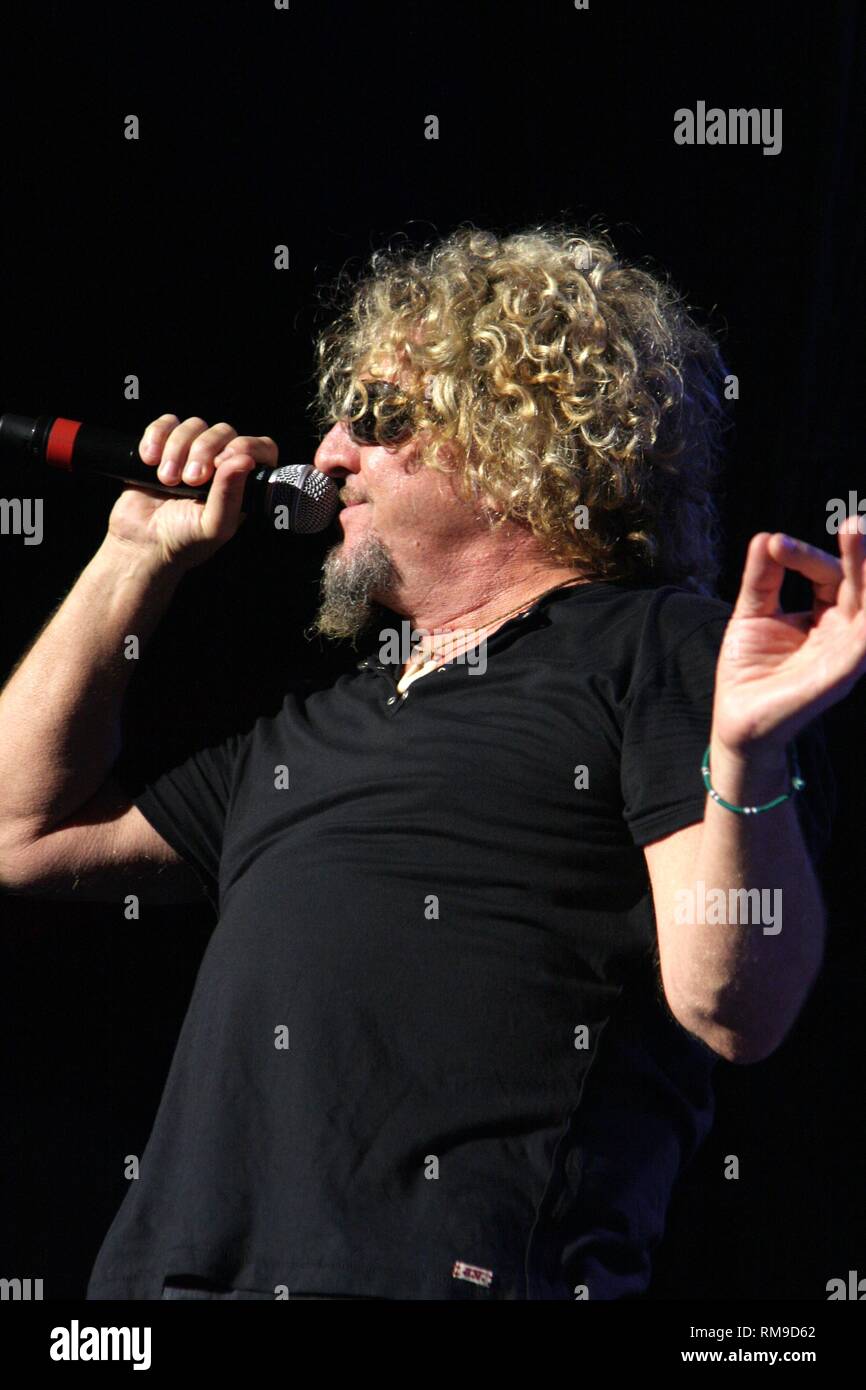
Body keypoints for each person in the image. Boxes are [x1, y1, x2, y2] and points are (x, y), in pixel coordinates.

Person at [0, 225, 857, 1301]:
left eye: (379, 419)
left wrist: (743, 753)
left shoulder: (660, 650)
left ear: (522, 445)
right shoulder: (311, 728)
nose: (328, 454)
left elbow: (737, 1006)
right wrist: (133, 554)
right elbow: (17, 832)